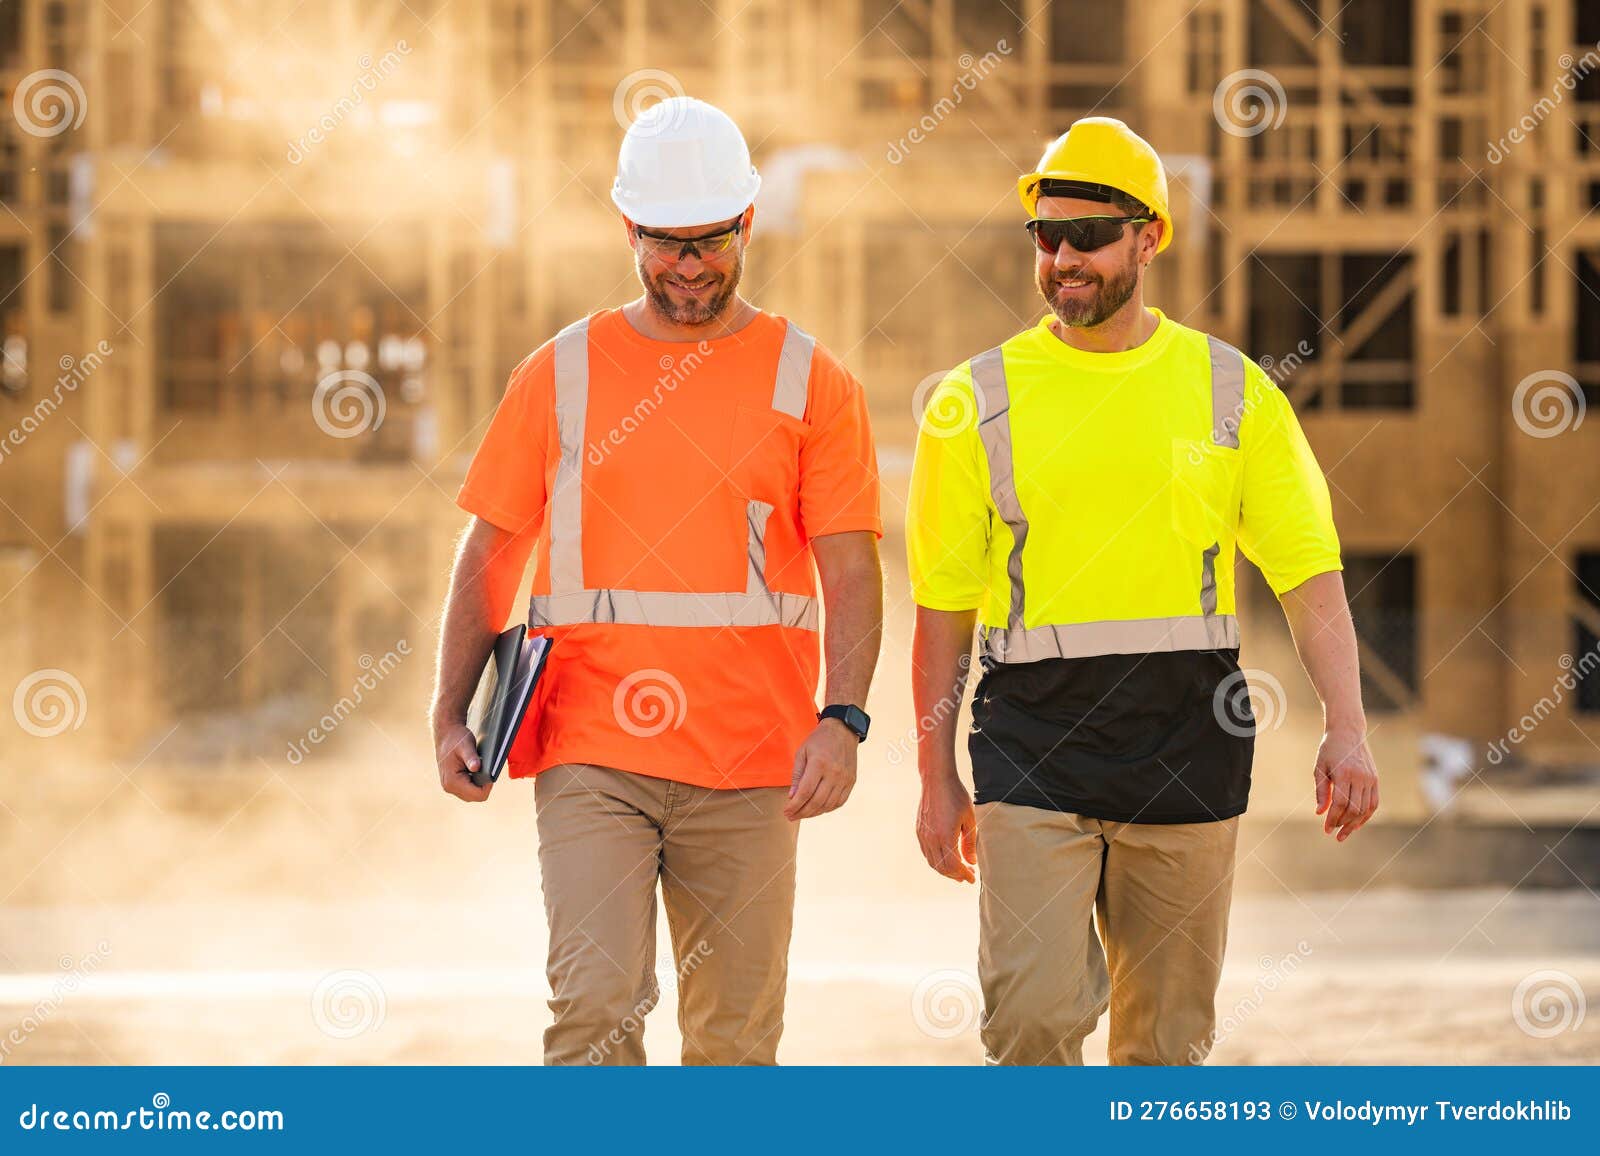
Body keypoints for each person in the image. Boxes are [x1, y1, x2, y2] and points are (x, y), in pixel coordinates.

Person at [905, 116, 1379, 1066]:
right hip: (1032, 740)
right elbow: (943, 612)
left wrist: (1349, 725)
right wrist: (933, 776)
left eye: (1089, 236)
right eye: (1047, 236)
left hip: (1188, 736)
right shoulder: (973, 399)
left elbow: (1306, 572)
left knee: (1166, 1046)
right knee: (1030, 1019)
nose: (1064, 259)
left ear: (1149, 235)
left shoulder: (1231, 390)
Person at [430, 97, 883, 1065]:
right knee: (593, 1013)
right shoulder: (560, 372)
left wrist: (842, 719)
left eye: (709, 242)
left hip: (752, 763)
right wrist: (447, 710)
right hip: (591, 751)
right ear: (628, 229)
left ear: (747, 225)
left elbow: (851, 566)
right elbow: (490, 551)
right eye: (667, 243)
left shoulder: (812, 383)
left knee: (734, 1042)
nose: (689, 266)